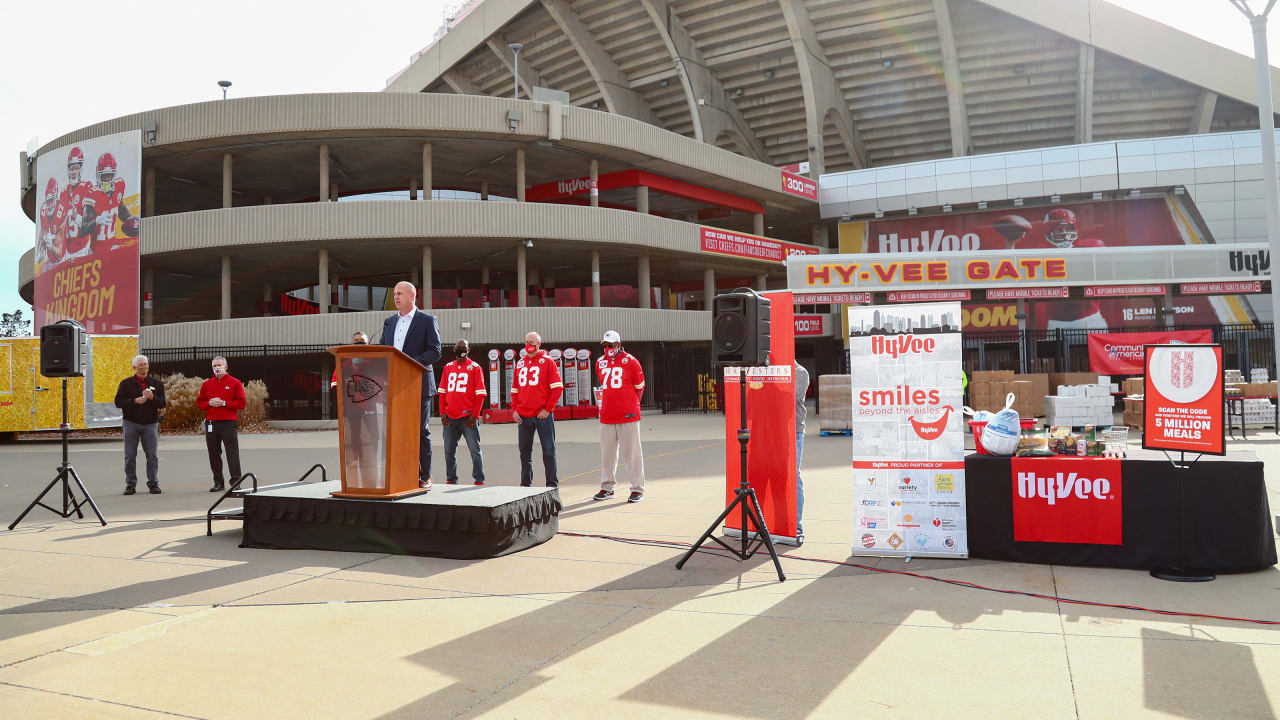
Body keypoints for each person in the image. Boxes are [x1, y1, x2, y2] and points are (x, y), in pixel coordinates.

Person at [379, 281, 441, 488]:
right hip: (394, 386)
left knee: (420, 431)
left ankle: (425, 476)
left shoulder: (427, 320)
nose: (395, 297)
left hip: (418, 384)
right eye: (394, 294)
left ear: (412, 296)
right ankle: (403, 473)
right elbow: (383, 349)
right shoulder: (389, 322)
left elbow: (435, 351)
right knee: (397, 431)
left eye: (399, 293)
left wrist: (409, 362)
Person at [592, 331, 647, 503]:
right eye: (605, 345)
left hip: (628, 415)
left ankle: (637, 488)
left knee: (632, 454)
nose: (608, 348)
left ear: (619, 344)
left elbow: (640, 386)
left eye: (611, 345)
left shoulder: (631, 361)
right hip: (607, 415)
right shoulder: (599, 362)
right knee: (607, 454)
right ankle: (607, 487)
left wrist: (632, 405)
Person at [511, 331, 562, 488]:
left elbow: (557, 388)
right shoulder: (520, 363)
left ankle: (552, 485)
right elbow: (514, 389)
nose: (529, 345)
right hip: (523, 415)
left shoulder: (548, 361)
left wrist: (547, 409)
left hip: (542, 415)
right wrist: (514, 409)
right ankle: (525, 484)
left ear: (539, 344)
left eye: (532, 342)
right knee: (524, 452)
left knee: (548, 450)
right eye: (526, 342)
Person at [113, 355, 166, 495]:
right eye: (141, 364)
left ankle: (153, 483)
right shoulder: (126, 383)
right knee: (130, 456)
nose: (144, 366)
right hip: (131, 423)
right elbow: (118, 402)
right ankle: (130, 484)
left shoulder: (156, 383)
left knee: (152, 456)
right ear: (134, 367)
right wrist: (134, 401)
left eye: (145, 363)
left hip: (150, 424)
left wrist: (152, 397)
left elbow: (162, 403)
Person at [439, 339, 487, 485]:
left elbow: (480, 394)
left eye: (463, 347)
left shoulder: (475, 368)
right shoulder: (448, 367)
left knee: (474, 450)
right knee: (448, 450)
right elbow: (442, 392)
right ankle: (451, 479)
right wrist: (442, 413)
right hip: (450, 418)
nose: (461, 350)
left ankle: (479, 479)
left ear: (468, 349)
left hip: (468, 418)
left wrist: (475, 415)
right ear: (454, 349)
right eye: (458, 347)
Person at [198, 356, 246, 493]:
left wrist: (224, 403)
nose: (217, 368)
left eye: (219, 365)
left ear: (226, 367)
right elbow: (200, 403)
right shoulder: (207, 384)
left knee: (232, 453)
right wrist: (209, 403)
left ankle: (236, 482)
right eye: (214, 366)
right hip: (211, 423)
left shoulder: (235, 383)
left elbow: (241, 403)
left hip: (228, 423)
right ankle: (218, 482)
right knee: (214, 454)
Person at [794, 362, 811, 545]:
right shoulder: (768, 371)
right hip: (772, 430)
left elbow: (793, 397)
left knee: (793, 476)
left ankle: (797, 525)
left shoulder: (800, 372)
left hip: (794, 431)